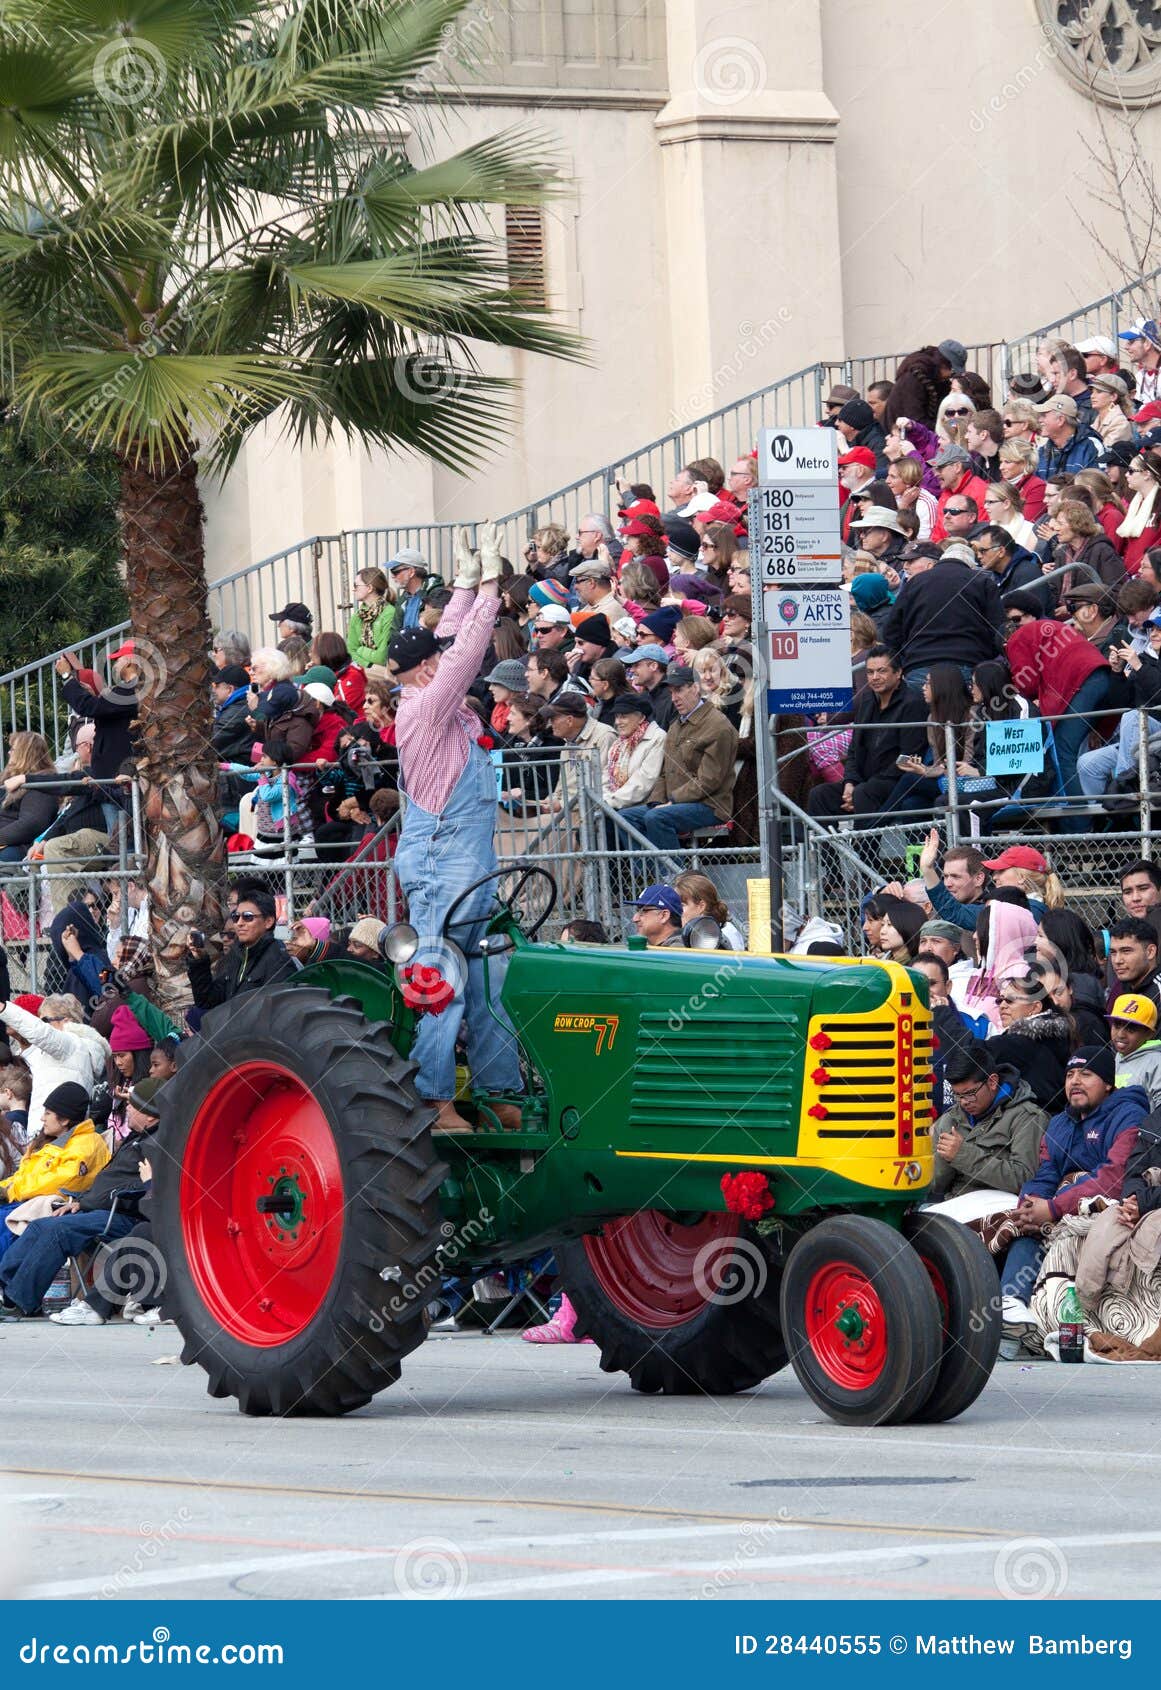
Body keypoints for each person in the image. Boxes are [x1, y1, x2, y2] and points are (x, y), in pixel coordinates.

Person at [389, 525, 523, 1134]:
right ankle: (433, 1098)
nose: (444, 661)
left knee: (491, 990)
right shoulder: (423, 706)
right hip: (444, 869)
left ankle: (500, 1091)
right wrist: (492, 586)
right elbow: (465, 655)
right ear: (423, 671)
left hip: (469, 870)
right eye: (434, 661)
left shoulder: (424, 693)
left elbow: (447, 641)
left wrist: (466, 585)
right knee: (440, 986)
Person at [996, 1047, 1148, 1346]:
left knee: (1059, 1228)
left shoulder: (1129, 1114)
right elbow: (1046, 1173)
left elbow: (1114, 1177)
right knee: (1016, 1227)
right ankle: (1009, 1310)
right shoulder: (1059, 1123)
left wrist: (1053, 1207)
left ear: (1108, 1083)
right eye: (1070, 1074)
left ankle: (1049, 1325)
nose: (1075, 1081)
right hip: (1061, 1208)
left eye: (1086, 1074)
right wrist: (1031, 1205)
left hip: (1111, 1208)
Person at [0, 1081, 166, 1324]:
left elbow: (144, 1188)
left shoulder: (156, 1144)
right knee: (41, 1224)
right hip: (94, 1207)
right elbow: (105, 1181)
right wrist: (80, 1202)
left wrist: (99, 1201)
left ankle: (20, 1301)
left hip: (122, 1215)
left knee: (58, 1231)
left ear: (151, 1117)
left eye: (133, 1106)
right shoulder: (137, 1137)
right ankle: (9, 1293)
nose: (127, 1109)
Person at [1004, 600, 1110, 825]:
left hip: (1082, 679)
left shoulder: (1015, 640)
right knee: (1072, 751)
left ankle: (1080, 827)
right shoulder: (1045, 628)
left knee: (1062, 752)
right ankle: (1086, 822)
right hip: (1098, 674)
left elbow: (1028, 682)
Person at [614, 667, 737, 851]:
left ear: (695, 688)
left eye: (678, 690)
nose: (673, 698)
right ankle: (648, 873)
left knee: (656, 818)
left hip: (710, 805)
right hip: (677, 803)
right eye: (671, 692)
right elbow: (664, 772)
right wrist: (657, 802)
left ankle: (673, 875)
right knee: (624, 817)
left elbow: (709, 781)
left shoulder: (718, 726)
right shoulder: (676, 725)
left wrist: (672, 800)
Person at [0, 1082, 110, 1281]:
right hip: (25, 1199)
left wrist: (11, 1191)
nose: (42, 1118)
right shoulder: (50, 1140)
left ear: (65, 1119)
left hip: (53, 1205)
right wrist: (4, 1187)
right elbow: (24, 1174)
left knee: (3, 1226)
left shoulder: (86, 1143)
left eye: (48, 1113)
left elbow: (63, 1181)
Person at [926, 1041, 1046, 1206]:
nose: (963, 1102)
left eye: (969, 1093)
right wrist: (942, 1159)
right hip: (953, 1205)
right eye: (957, 1095)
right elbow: (934, 1186)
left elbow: (1024, 1179)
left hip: (1001, 1208)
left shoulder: (1026, 1116)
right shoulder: (950, 1119)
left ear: (992, 1081)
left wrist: (962, 1154)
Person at [879, 540, 1002, 688]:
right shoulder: (983, 582)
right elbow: (998, 631)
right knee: (964, 712)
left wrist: (906, 659)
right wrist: (982, 655)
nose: (905, 567)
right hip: (967, 664)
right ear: (971, 565)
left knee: (922, 711)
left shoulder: (914, 583)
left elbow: (891, 632)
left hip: (919, 666)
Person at [185, 886, 295, 1010]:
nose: (239, 923)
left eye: (248, 917)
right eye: (236, 917)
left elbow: (278, 1013)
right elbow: (208, 1000)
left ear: (268, 922)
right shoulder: (236, 955)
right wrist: (199, 959)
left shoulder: (279, 960)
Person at [984, 974, 1073, 1112]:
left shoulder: (1023, 1041)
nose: (1002, 1006)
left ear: (1035, 1007)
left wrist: (943, 1011)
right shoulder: (1052, 1035)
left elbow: (970, 1050)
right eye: (999, 1000)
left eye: (1010, 1000)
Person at [55, 642, 139, 779]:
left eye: (118, 660)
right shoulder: (133, 690)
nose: (115, 665)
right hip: (113, 774)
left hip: (116, 777)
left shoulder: (129, 691)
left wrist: (66, 676)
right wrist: (95, 698)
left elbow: (88, 707)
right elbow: (105, 711)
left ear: (129, 662)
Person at [601, 693, 667, 814]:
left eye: (623, 717)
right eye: (616, 716)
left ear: (641, 718)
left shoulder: (657, 738)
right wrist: (604, 798)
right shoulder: (619, 743)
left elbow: (644, 782)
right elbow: (605, 776)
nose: (617, 722)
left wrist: (609, 802)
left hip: (642, 806)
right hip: (614, 804)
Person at [1107, 995, 1161, 1109]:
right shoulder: (1117, 1057)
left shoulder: (1156, 1062)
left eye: (1130, 1028)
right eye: (1117, 1025)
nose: (1120, 1034)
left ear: (1149, 1033)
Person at [674, 871, 744, 951]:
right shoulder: (694, 932)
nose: (676, 910)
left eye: (682, 905)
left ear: (701, 906)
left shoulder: (725, 933)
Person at [1106, 917, 1161, 1014]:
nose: (1117, 960)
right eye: (1113, 952)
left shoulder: (1158, 993)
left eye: (1126, 951)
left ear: (1150, 952)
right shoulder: (1121, 988)